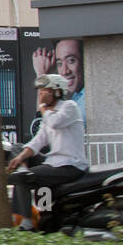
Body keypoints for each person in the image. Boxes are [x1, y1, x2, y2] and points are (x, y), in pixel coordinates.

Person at [8, 73, 88, 229]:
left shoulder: (69, 107)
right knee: (18, 148)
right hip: (53, 164)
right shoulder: (47, 115)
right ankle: (46, 216)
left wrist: (43, 108)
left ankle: (26, 221)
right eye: (40, 91)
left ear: (57, 92)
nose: (41, 95)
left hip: (70, 165)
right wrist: (20, 158)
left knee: (24, 177)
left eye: (45, 91)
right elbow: (38, 141)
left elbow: (55, 122)